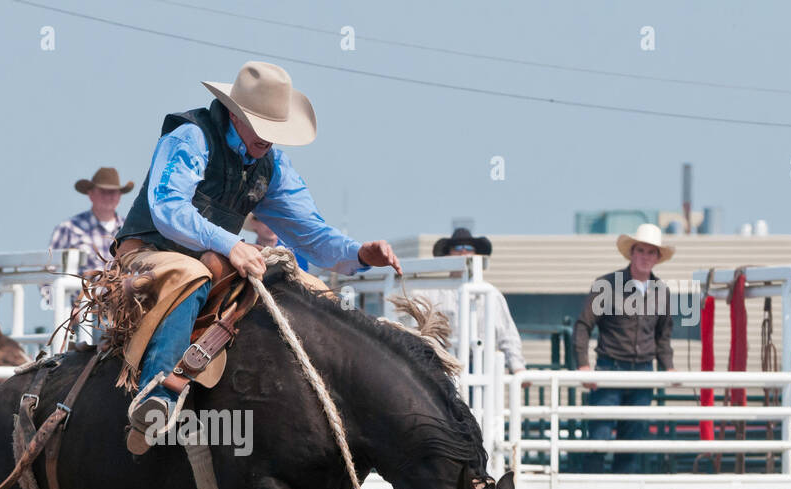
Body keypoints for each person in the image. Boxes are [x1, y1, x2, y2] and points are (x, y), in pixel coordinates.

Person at [112, 60, 402, 454]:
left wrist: (358, 253)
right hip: (149, 253)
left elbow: (311, 233)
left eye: (274, 129)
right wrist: (231, 245)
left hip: (220, 264)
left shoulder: (273, 166)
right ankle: (158, 394)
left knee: (313, 292)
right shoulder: (191, 137)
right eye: (262, 126)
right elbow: (167, 209)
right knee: (190, 274)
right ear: (235, 114)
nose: (269, 138)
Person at [572, 223, 677, 474]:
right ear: (632, 253)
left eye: (651, 252)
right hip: (610, 368)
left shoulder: (663, 292)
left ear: (657, 258)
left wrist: (669, 368)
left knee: (632, 440)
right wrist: (584, 365)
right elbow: (584, 325)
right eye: (641, 250)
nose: (645, 256)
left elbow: (663, 336)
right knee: (599, 438)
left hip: (642, 373)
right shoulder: (606, 285)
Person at [420, 228, 526, 378]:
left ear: (476, 254)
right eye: (457, 248)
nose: (463, 252)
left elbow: (507, 334)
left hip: (482, 368)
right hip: (443, 366)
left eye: (469, 248)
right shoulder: (433, 293)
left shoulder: (490, 293)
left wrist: (517, 367)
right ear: (448, 253)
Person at [49, 167, 134, 275]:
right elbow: (49, 271)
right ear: (90, 194)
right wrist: (51, 292)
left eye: (112, 192)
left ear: (119, 196)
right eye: (103, 191)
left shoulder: (130, 230)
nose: (108, 197)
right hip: (80, 291)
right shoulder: (68, 228)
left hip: (123, 292)